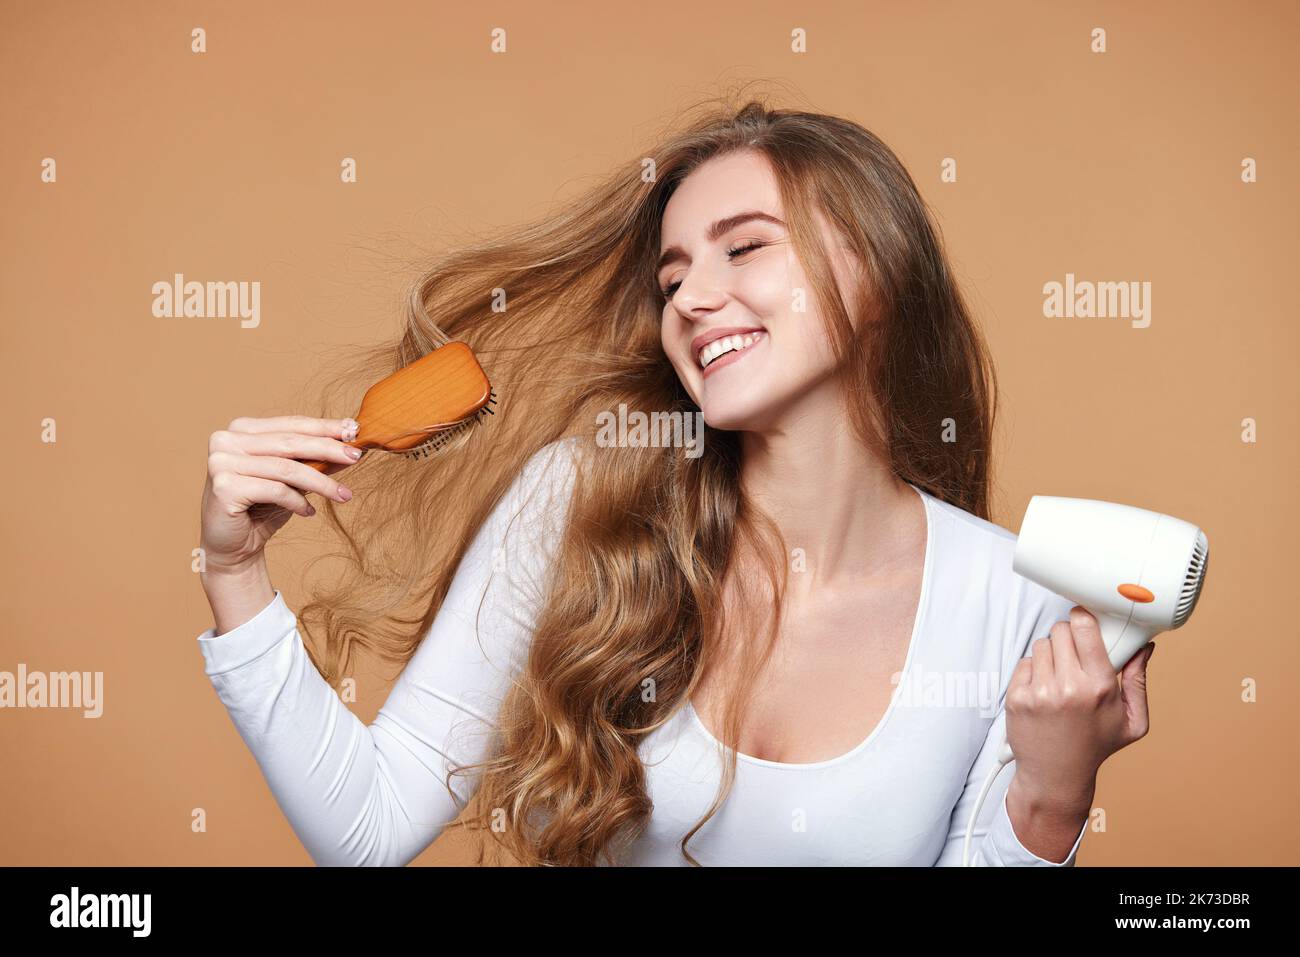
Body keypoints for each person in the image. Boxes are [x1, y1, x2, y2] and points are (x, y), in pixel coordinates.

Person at [196, 95, 1154, 866]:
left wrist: (1053, 797)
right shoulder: (580, 506)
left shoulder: (1017, 599)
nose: (693, 298)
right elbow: (362, 833)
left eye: (744, 248)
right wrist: (235, 571)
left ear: (878, 270)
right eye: (672, 278)